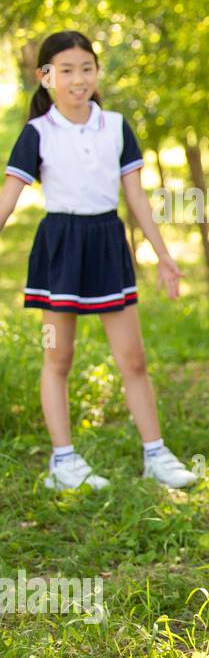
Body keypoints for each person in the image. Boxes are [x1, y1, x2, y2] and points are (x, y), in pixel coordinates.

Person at [0, 30, 198, 491]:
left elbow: (137, 198)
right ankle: (63, 462)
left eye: (86, 68)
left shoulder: (116, 126)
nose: (77, 79)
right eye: (65, 71)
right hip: (60, 254)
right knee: (58, 357)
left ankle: (156, 454)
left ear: (96, 72)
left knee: (133, 359)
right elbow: (8, 200)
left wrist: (164, 256)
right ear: (45, 76)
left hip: (109, 247)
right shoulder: (37, 134)